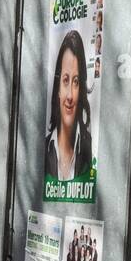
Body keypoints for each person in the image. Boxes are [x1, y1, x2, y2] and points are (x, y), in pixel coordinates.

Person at [44, 31, 93, 182]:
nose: (70, 96)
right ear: (57, 88)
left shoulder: (90, 148)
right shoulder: (44, 148)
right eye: (66, 80)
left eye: (76, 82)